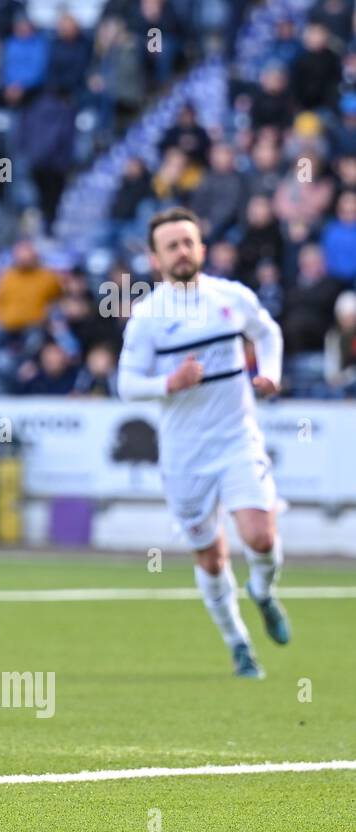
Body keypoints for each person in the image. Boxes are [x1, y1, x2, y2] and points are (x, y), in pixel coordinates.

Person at [118, 207, 289, 678]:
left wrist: (270, 373)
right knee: (211, 557)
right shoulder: (149, 316)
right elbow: (126, 383)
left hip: (237, 439)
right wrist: (168, 383)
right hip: (185, 455)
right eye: (171, 246)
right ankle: (238, 643)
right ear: (155, 258)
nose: (182, 252)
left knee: (261, 534)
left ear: (203, 248)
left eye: (188, 242)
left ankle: (263, 589)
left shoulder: (231, 297)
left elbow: (268, 331)